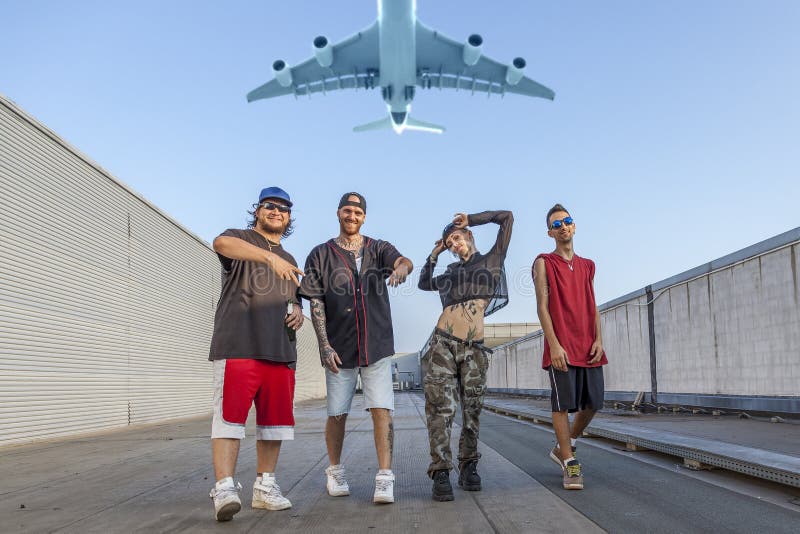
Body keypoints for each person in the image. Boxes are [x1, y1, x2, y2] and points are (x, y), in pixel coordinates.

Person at [300, 192, 413, 504]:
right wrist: (324, 346)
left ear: (364, 217)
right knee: (337, 413)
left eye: (358, 212)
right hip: (339, 348)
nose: (352, 216)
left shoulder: (378, 248)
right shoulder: (320, 254)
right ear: (338, 213)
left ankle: (385, 477)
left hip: (375, 345)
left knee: (382, 410)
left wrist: (402, 268)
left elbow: (403, 261)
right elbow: (315, 300)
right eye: (347, 211)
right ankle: (335, 471)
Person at [207, 187, 305, 521]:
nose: (277, 211)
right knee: (229, 420)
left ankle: (264, 489)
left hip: (280, 350)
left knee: (274, 426)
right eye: (270, 206)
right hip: (240, 345)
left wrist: (299, 311)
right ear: (258, 210)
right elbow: (219, 244)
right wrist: (267, 256)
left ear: (289, 217)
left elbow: (295, 296)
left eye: (284, 208)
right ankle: (223, 488)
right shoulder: (240, 239)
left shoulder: (291, 260)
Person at [418, 210, 513, 501]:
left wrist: (471, 218)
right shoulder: (449, 273)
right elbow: (424, 282)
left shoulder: (492, 260)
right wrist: (434, 253)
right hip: (442, 344)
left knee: (472, 411)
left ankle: (469, 466)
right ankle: (441, 470)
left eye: (456, 239)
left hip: (474, 348)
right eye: (449, 243)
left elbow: (507, 218)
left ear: (468, 236)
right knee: (440, 410)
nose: (454, 245)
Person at [532, 203, 607, 490]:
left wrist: (599, 338)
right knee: (563, 404)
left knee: (594, 403)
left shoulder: (588, 265)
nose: (563, 226)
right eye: (556, 224)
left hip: (588, 344)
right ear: (550, 233)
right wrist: (554, 345)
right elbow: (542, 306)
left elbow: (593, 304)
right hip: (562, 345)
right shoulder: (543, 262)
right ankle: (569, 462)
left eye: (567, 221)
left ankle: (566, 444)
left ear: (574, 226)